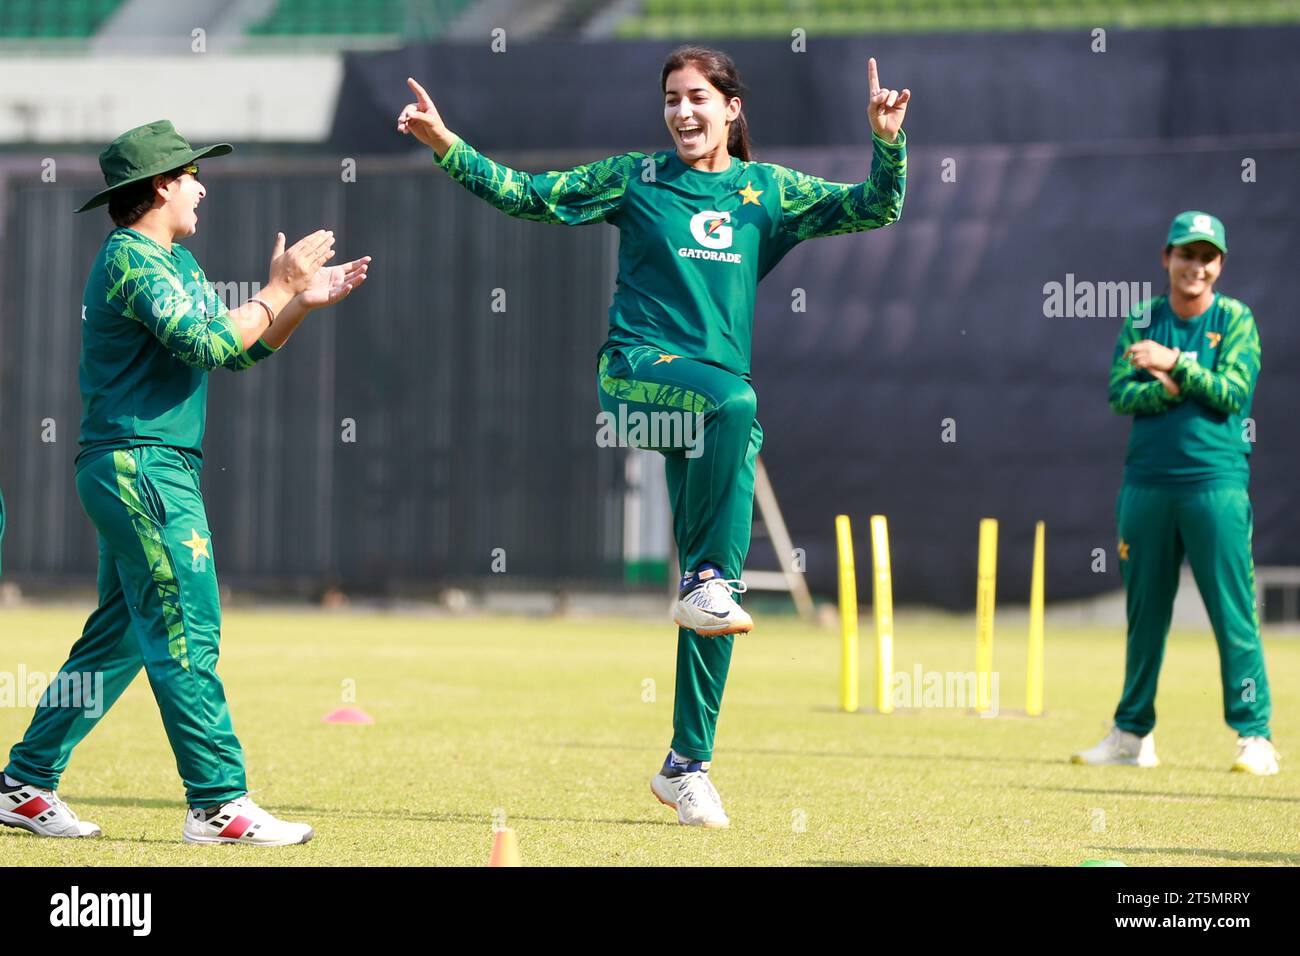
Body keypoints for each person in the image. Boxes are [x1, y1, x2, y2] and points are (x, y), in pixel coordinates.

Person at [398, 47, 909, 825]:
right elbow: (528, 197)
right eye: (671, 98)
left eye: (697, 97)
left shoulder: (766, 191)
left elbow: (875, 207)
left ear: (731, 108)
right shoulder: (636, 179)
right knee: (736, 412)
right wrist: (446, 144)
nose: (681, 112)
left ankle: (686, 764)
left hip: (710, 411)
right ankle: (703, 581)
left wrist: (887, 140)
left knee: (720, 595)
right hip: (638, 380)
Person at [0, 120, 372, 843]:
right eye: (194, 174)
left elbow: (232, 355)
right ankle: (217, 803)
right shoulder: (130, 260)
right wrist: (275, 288)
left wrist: (297, 303)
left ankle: (24, 782)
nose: (203, 186)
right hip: (140, 465)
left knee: (123, 638)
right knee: (186, 627)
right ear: (163, 185)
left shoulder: (178, 265)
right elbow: (201, 340)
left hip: (144, 465)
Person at [1073, 211, 1278, 775]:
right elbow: (1120, 393)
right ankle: (1132, 734)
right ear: (1167, 258)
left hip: (1215, 484)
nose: (1197, 266)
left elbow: (1233, 393)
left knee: (1233, 612)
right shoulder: (1142, 317)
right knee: (1145, 615)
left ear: (1220, 266)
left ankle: (1255, 736)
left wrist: (1172, 365)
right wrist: (1172, 386)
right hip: (1147, 484)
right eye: (1187, 254)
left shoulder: (1236, 319)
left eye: (1208, 256)